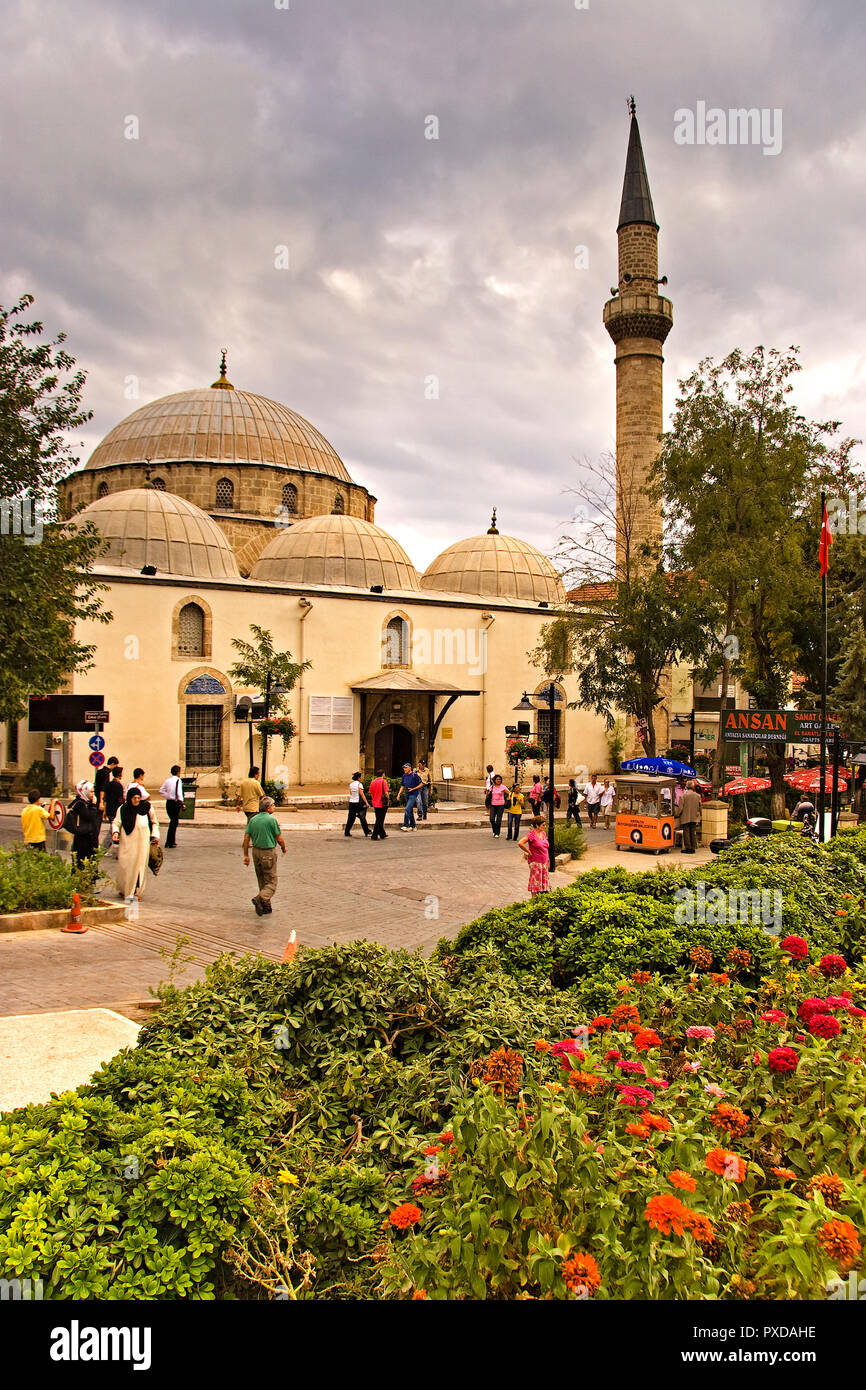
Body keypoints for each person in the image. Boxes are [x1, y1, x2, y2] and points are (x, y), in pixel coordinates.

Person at [112, 788, 159, 900]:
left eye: (138, 798)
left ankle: (133, 892)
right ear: (130, 798)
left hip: (142, 843)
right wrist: (115, 832)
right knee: (126, 866)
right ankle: (125, 889)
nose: (137, 800)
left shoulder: (146, 807)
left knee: (139, 866)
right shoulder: (123, 809)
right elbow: (116, 822)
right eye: (134, 798)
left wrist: (155, 835)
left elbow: (154, 822)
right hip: (128, 842)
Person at [243, 795, 286, 915]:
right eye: (273, 805)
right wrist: (283, 847)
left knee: (261, 880)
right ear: (268, 808)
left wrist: (246, 855)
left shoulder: (253, 820)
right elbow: (279, 838)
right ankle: (260, 899)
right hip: (268, 852)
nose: (274, 807)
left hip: (256, 852)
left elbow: (246, 838)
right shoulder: (271, 820)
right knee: (272, 882)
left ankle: (266, 906)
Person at [66, 779, 102, 868]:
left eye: (93, 792)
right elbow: (90, 817)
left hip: (88, 839)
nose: (93, 794)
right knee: (83, 865)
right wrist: (93, 805)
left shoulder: (84, 802)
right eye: (91, 792)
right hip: (83, 841)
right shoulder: (80, 804)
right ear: (84, 791)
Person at [519, 815, 550, 896]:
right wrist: (528, 851)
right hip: (536, 862)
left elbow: (546, 848)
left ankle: (541, 900)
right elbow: (520, 843)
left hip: (544, 862)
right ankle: (534, 900)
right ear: (537, 825)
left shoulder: (543, 833)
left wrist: (548, 860)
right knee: (536, 883)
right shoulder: (531, 834)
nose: (545, 826)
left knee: (543, 883)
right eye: (543, 825)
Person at [101, 765, 126, 854]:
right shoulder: (119, 786)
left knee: (113, 829)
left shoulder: (109, 784)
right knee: (113, 830)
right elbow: (120, 799)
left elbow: (105, 798)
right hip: (116, 810)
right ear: (119, 774)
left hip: (109, 809)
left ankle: (112, 848)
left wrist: (105, 810)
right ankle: (103, 849)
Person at [159, 765, 184, 849]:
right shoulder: (178, 780)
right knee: (174, 822)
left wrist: (168, 796)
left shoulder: (167, 780)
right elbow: (179, 792)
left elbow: (161, 790)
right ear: (178, 772)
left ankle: (171, 841)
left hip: (169, 802)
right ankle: (170, 841)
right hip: (175, 803)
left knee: (173, 821)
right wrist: (182, 802)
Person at [676, 779, 702, 854]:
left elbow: (680, 808)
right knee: (692, 832)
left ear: (686, 787)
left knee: (686, 832)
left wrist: (677, 815)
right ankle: (693, 847)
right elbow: (700, 807)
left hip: (685, 816)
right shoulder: (698, 796)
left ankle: (688, 848)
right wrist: (700, 816)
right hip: (694, 817)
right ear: (693, 787)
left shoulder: (683, 796)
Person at [345, 772, 371, 837]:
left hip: (352, 802)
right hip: (358, 803)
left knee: (351, 818)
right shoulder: (359, 784)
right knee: (362, 817)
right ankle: (367, 831)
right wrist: (366, 802)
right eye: (360, 777)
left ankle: (347, 832)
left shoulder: (351, 784)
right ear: (358, 778)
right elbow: (362, 794)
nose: (361, 778)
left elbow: (351, 793)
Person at [399, 762, 424, 831]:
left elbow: (421, 784)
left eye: (406, 768)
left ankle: (406, 825)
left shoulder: (414, 775)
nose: (404, 769)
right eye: (404, 768)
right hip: (407, 794)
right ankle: (413, 826)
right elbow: (402, 786)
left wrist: (413, 789)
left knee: (407, 809)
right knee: (410, 810)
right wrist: (399, 794)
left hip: (413, 794)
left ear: (409, 768)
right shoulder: (404, 775)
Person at [369, 769, 390, 839]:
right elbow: (386, 792)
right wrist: (388, 800)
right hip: (382, 803)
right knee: (380, 820)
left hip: (375, 802)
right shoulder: (383, 781)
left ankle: (382, 834)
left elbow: (371, 792)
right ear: (383, 774)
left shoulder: (373, 782)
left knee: (378, 818)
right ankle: (374, 835)